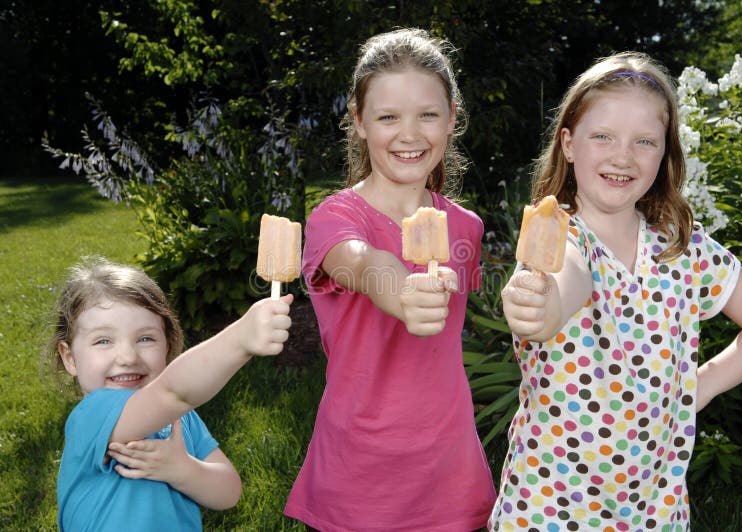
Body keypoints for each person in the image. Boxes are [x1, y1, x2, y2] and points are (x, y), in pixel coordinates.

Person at [490, 51, 742, 531]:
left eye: (645, 141)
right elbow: (562, 285)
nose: (622, 156)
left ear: (665, 153)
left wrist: (702, 384)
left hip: (654, 509)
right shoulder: (565, 239)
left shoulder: (684, 249)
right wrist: (539, 305)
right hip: (550, 507)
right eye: (603, 137)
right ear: (569, 145)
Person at [284, 28, 496, 530]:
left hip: (450, 467)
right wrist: (400, 289)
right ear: (359, 123)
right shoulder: (333, 219)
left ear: (451, 120)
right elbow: (360, 263)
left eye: (427, 114)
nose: (409, 133)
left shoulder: (465, 227)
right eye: (387, 117)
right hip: (359, 470)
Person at [45, 257, 293, 531]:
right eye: (103, 341)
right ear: (69, 358)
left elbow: (229, 492)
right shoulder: (90, 417)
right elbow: (172, 393)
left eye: (145, 338)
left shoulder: (181, 417)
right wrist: (239, 340)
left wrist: (184, 470)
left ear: (167, 345)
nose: (127, 356)